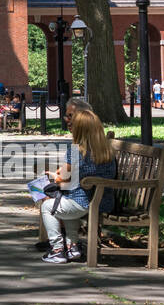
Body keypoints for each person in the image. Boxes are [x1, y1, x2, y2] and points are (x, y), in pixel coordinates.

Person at [39, 99, 115, 263]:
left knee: (47, 206)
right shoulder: (107, 149)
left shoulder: (75, 150)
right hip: (104, 201)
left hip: (84, 202)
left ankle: (57, 249)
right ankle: (72, 247)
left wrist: (54, 177)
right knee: (66, 202)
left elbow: (64, 180)